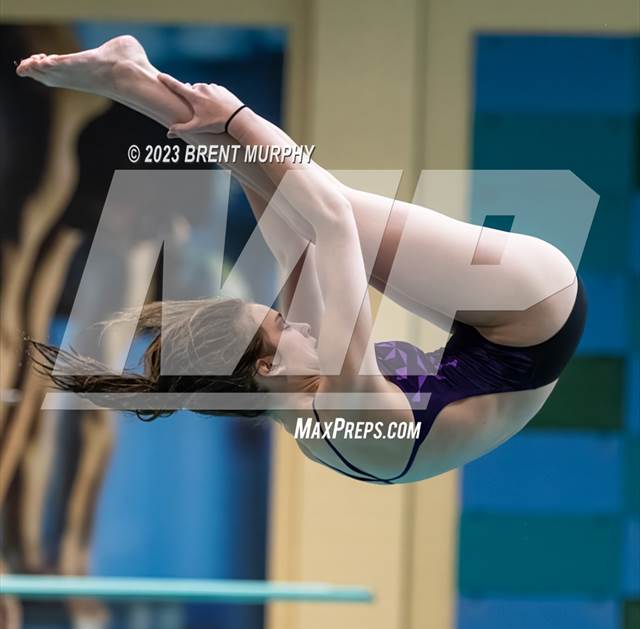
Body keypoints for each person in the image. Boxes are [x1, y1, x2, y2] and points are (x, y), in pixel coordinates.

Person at [16, 36, 586, 485]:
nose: (290, 319)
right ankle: (129, 80)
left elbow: (293, 239)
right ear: (264, 368)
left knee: (292, 208)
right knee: (328, 205)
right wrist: (238, 117)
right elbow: (330, 216)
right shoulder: (350, 412)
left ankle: (130, 80)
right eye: (278, 323)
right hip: (533, 313)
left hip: (486, 335)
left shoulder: (299, 393)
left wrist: (225, 144)